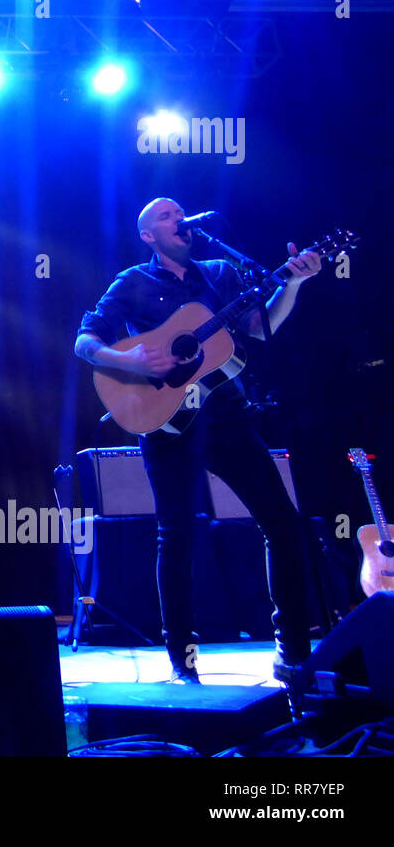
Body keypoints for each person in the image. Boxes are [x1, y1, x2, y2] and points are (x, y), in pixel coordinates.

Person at [74, 197, 322, 684]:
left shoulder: (221, 272)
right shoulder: (132, 282)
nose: (179, 219)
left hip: (229, 418)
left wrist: (291, 281)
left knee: (284, 525)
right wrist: (134, 362)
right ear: (149, 236)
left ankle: (292, 651)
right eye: (165, 216)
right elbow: (86, 340)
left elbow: (260, 329)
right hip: (167, 426)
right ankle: (183, 665)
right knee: (177, 539)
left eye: (179, 212)